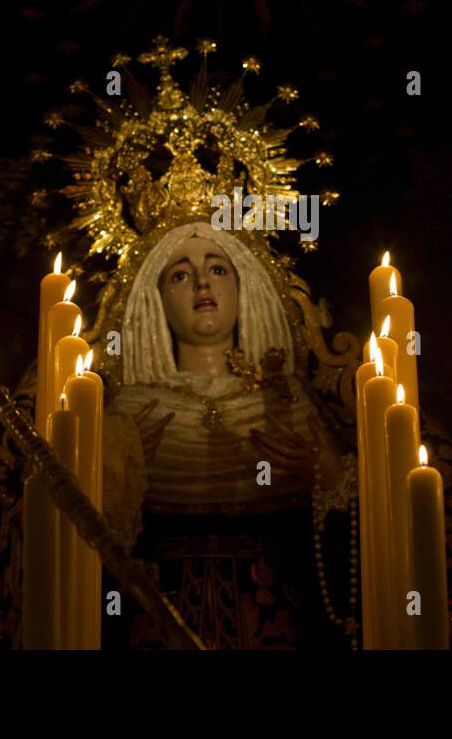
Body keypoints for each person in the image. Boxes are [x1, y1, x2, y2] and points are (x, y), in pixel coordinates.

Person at [97, 221, 356, 649]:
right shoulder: (127, 413)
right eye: (180, 275)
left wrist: (328, 477)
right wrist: (113, 475)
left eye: (218, 269)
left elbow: (348, 546)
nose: (202, 282)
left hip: (275, 619)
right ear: (155, 298)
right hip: (155, 619)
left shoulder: (291, 404)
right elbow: (85, 547)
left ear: (243, 285)